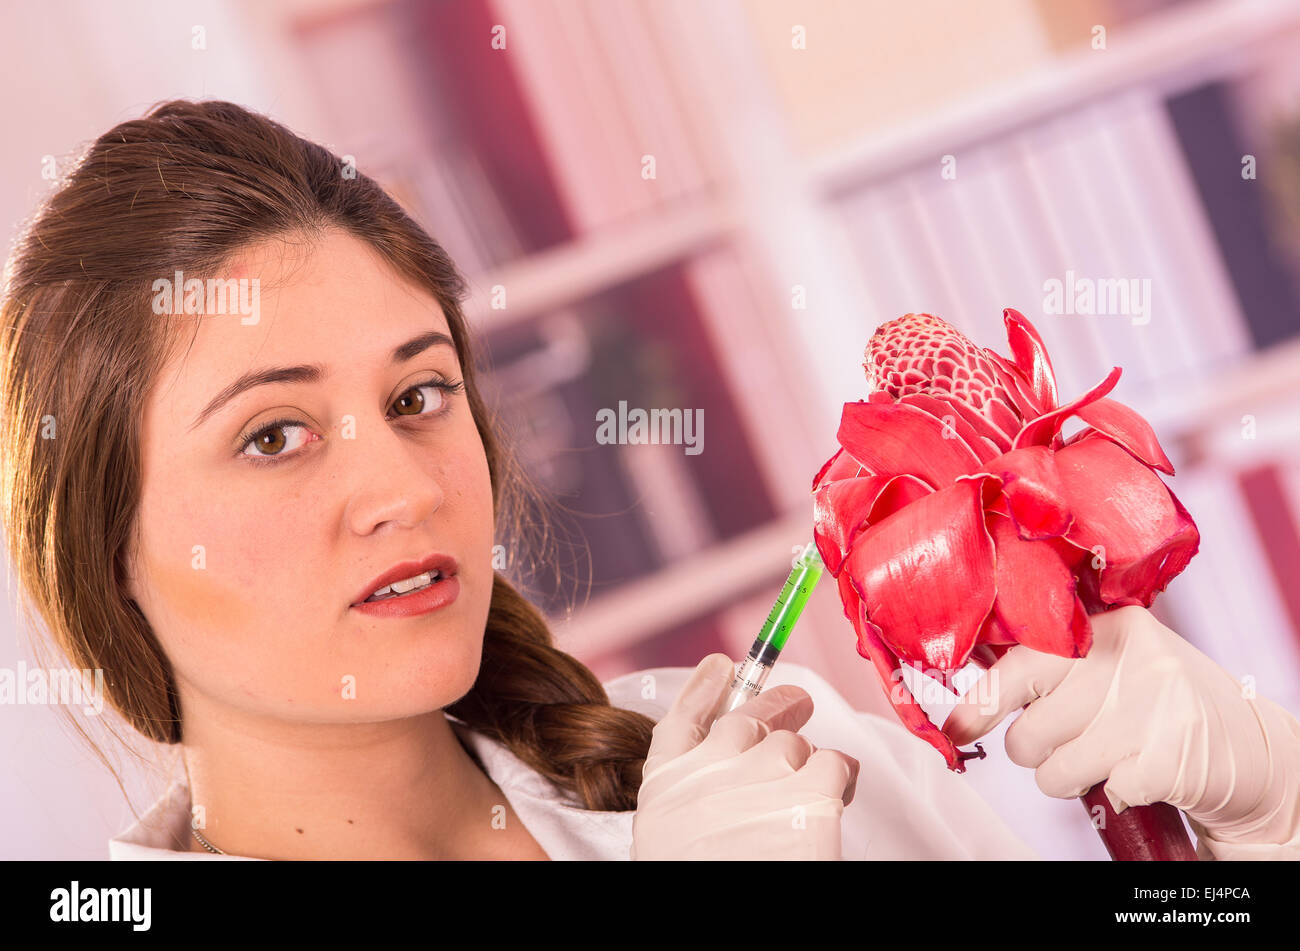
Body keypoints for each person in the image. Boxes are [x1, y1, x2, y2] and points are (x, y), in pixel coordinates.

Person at [3, 101, 1296, 860]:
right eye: (274, 435)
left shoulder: (780, 759)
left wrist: (1252, 822)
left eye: (418, 397)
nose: (398, 485)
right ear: (106, 548)